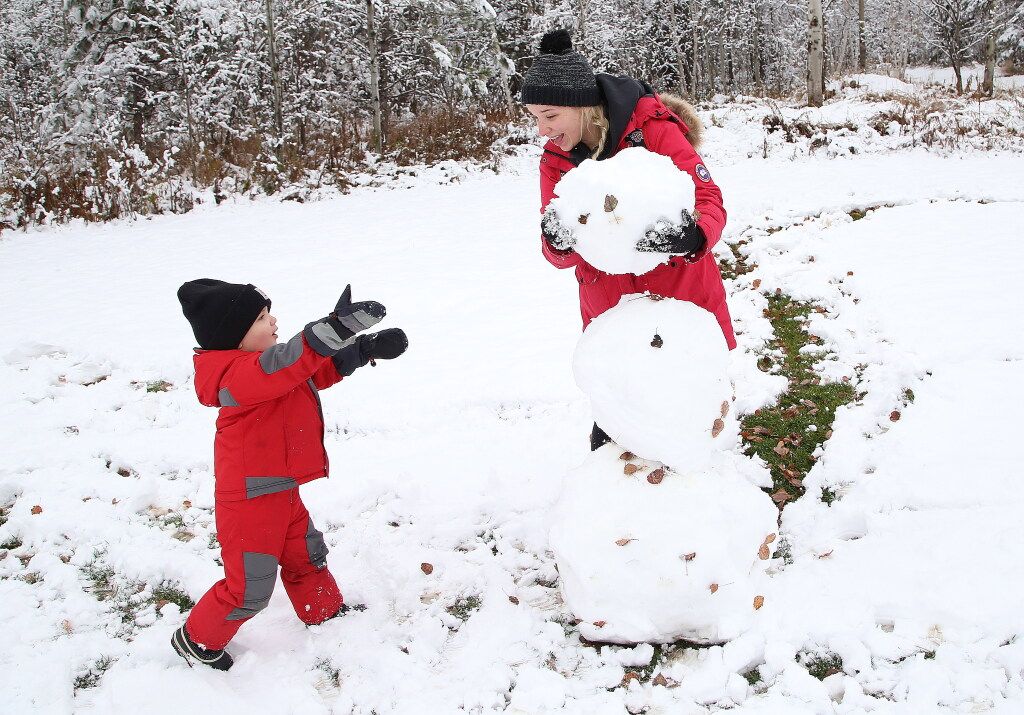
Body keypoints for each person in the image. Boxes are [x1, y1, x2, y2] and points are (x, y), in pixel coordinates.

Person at [172, 279, 408, 670]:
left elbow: (309, 371)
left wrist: (363, 350)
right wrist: (336, 328)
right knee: (248, 588)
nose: (274, 321)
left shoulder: (268, 371)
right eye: (262, 318)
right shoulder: (238, 375)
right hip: (249, 500)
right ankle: (197, 639)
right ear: (234, 337)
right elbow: (288, 362)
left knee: (306, 554)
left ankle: (322, 611)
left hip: (278, 489)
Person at [522, 29, 736, 450]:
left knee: (689, 425)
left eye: (550, 116)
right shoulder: (555, 163)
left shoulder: (653, 130)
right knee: (617, 436)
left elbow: (709, 198)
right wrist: (558, 242)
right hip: (609, 310)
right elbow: (556, 253)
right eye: (534, 118)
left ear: (581, 106)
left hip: (680, 297)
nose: (542, 130)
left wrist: (693, 236)